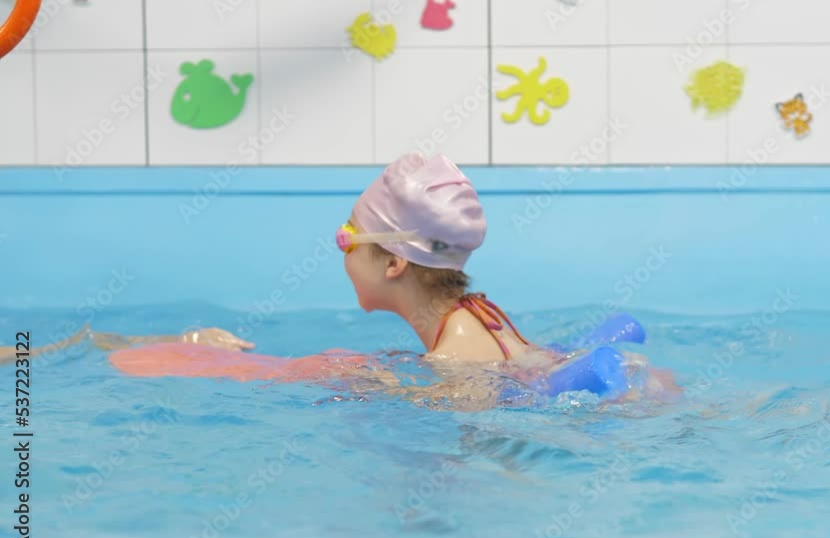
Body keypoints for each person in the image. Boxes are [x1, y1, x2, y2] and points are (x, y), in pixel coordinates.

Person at [0, 154, 678, 403]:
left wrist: (381, 389)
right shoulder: (479, 311)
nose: (339, 245)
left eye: (349, 232)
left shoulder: (455, 349)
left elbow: (479, 418)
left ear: (393, 262)